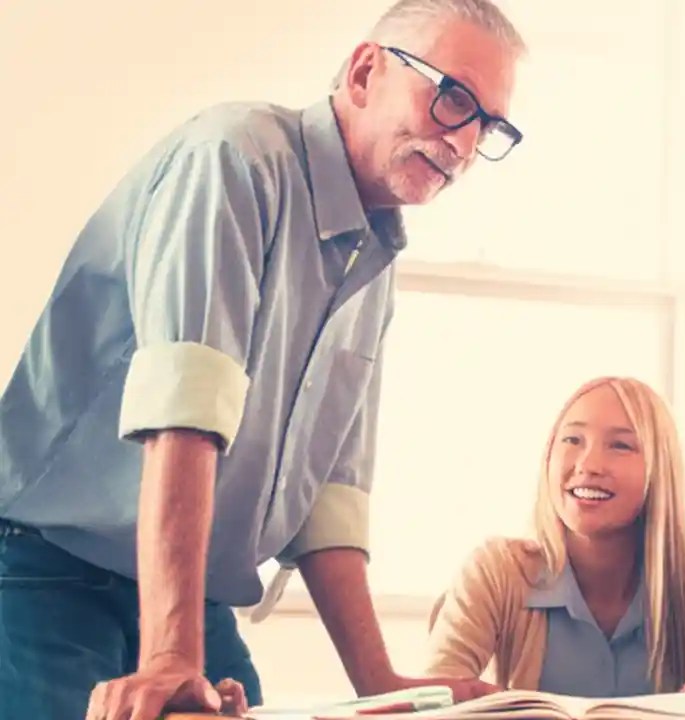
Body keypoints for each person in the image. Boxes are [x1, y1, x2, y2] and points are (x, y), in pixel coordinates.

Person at [0, 1, 526, 718]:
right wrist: (170, 655)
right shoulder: (235, 159)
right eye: (454, 98)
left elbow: (331, 500)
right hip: (42, 570)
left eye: (488, 127)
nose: (465, 144)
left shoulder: (376, 256)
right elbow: (184, 408)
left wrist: (379, 682)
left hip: (194, 595)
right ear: (366, 70)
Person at [423, 376, 685, 697]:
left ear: (661, 470)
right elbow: (429, 707)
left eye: (620, 445)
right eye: (572, 439)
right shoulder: (498, 569)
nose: (588, 464)